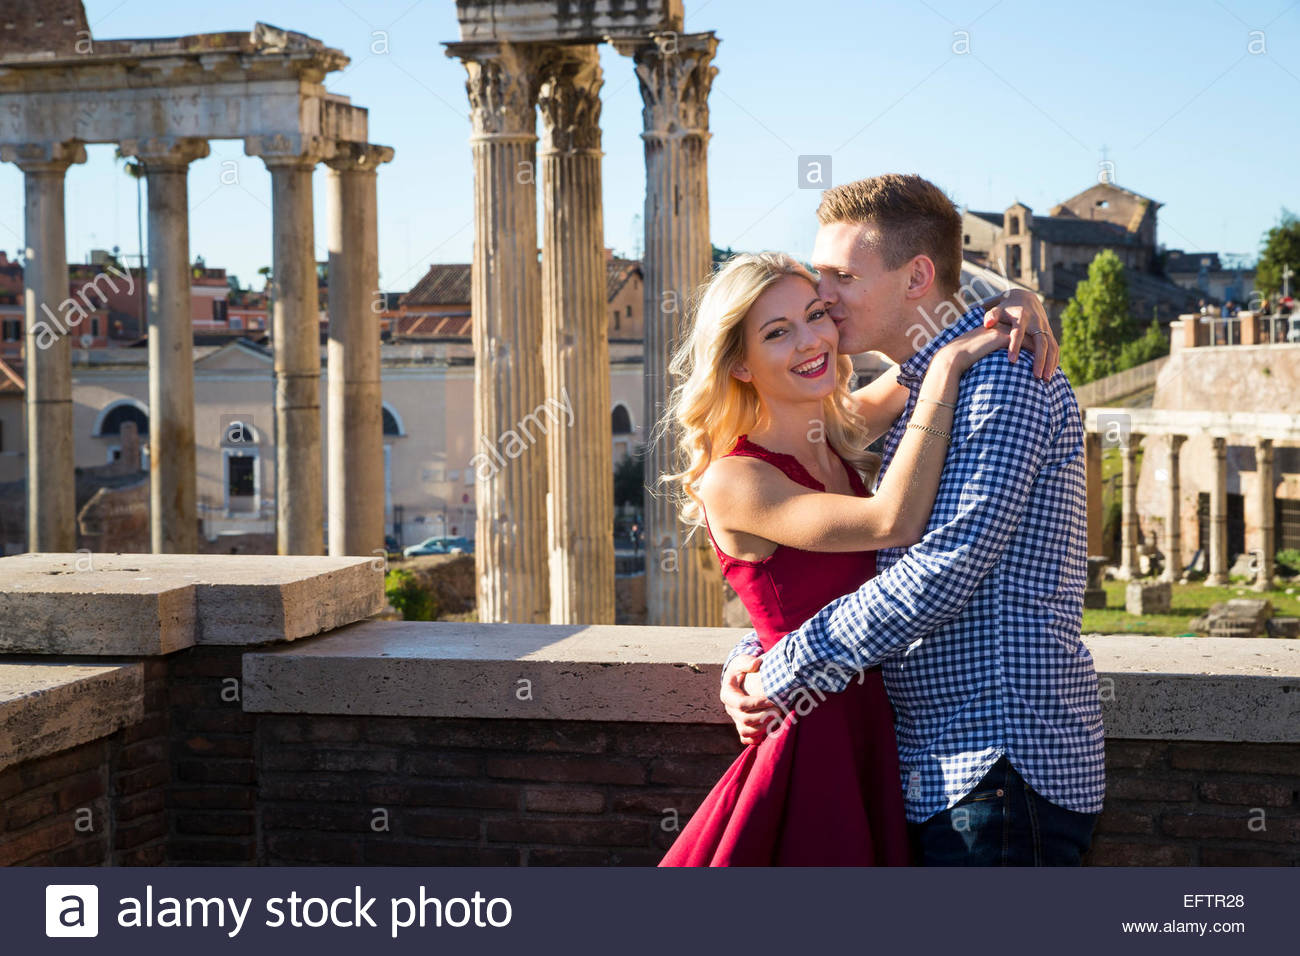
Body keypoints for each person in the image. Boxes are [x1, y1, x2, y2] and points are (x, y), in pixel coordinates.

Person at [719, 174, 1104, 866]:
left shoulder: (1004, 376)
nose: (823, 300)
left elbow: (937, 574)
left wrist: (778, 673)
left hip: (997, 767)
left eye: (840, 276)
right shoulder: (929, 384)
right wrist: (749, 653)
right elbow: (813, 575)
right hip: (938, 773)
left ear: (917, 276)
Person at [656, 234, 1058, 865]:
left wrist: (1017, 295)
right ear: (738, 364)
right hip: (813, 740)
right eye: (778, 332)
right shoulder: (734, 478)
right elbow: (890, 522)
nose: (812, 341)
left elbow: (933, 320)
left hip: (878, 731)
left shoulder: (837, 431)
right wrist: (950, 370)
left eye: (815, 316)